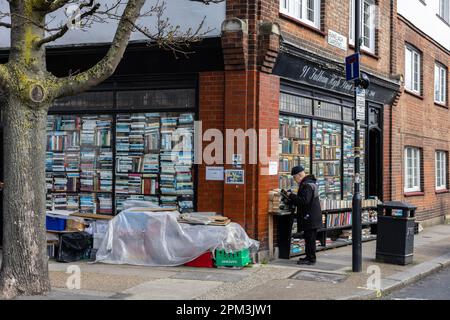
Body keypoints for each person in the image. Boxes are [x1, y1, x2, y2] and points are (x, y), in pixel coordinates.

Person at [288, 166, 322, 265]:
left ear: (299, 175)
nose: (295, 180)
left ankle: (311, 259)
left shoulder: (307, 185)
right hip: (312, 216)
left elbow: (304, 200)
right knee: (309, 238)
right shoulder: (311, 182)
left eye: (295, 178)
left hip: (310, 217)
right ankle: (309, 257)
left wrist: (291, 196)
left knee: (310, 239)